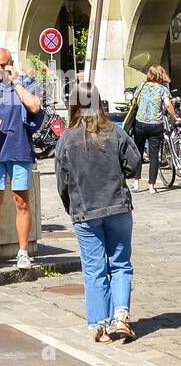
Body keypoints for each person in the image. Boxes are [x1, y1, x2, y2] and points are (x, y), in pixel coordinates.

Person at [55, 82, 141, 343]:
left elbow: (62, 181)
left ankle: (99, 326)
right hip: (117, 206)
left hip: (85, 210)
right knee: (120, 264)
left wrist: (71, 206)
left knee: (94, 269)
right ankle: (121, 316)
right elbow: (135, 162)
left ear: (74, 106)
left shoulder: (66, 139)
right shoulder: (114, 132)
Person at [0, 47, 43, 270]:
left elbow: (34, 106)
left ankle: (22, 252)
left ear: (12, 63)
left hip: (19, 150)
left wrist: (16, 82)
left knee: (21, 201)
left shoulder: (26, 85)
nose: (1, 69)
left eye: (5, 65)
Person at [125, 65, 179, 194]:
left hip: (141, 124)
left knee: (138, 153)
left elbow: (134, 103)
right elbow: (168, 105)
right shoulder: (162, 89)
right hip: (156, 125)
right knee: (154, 155)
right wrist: (175, 117)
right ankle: (151, 186)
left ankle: (136, 183)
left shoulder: (142, 86)